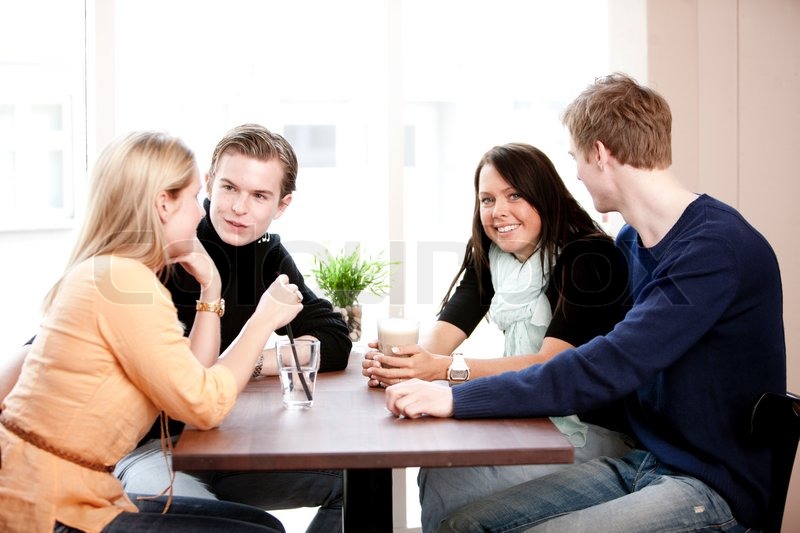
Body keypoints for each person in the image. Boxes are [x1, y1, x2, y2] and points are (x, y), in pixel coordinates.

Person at [385, 73, 786, 532]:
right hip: (647, 461)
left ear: (599, 153)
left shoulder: (715, 249)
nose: (575, 172)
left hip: (711, 486)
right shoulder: (633, 241)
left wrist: (456, 397)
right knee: (464, 524)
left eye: (575, 157)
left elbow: (606, 365)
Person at [0, 131, 302, 532]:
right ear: (163, 204)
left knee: (264, 526)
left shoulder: (115, 273)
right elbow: (205, 404)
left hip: (81, 494)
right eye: (196, 196)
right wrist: (263, 320)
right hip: (49, 507)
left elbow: (189, 384)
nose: (202, 211)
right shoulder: (125, 286)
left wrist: (210, 288)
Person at [363, 142, 634, 532]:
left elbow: (550, 366)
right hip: (531, 416)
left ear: (545, 196)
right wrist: (401, 361)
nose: (498, 211)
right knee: (442, 470)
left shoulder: (589, 256)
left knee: (453, 475)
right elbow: (443, 335)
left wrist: (441, 370)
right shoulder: (493, 255)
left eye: (514, 195)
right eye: (487, 199)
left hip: (592, 431)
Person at [114, 123, 352, 533]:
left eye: (259, 196)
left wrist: (255, 363)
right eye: (229, 188)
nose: (239, 208)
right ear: (207, 184)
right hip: (151, 451)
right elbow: (188, 386)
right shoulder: (159, 251)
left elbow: (333, 339)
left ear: (281, 204)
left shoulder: (266, 254)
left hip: (225, 446)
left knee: (355, 485)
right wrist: (240, 355)